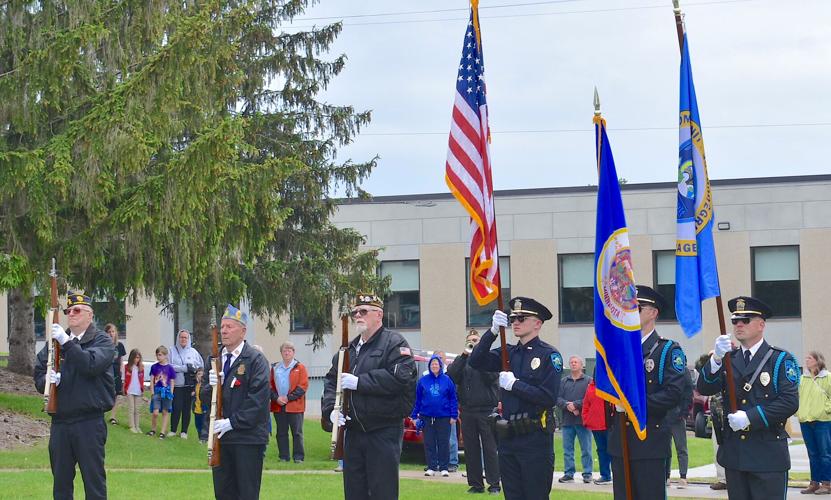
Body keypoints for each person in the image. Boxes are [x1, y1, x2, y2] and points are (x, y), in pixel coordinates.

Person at [697, 295, 800, 500]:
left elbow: (789, 402)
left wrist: (750, 417)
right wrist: (716, 359)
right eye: (735, 320)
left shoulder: (779, 359)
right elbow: (704, 387)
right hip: (736, 456)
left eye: (745, 320)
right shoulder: (728, 359)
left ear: (761, 325)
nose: (739, 325)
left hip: (767, 456)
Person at [322, 293, 417, 500]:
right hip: (354, 432)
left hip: (383, 430)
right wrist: (331, 411)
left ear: (379, 315)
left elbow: (402, 377)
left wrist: (360, 382)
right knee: (354, 492)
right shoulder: (348, 349)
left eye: (363, 311)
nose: (358, 315)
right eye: (355, 312)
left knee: (382, 491)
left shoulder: (394, 342)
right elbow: (331, 381)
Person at [469, 296, 562, 500]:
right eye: (513, 319)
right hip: (508, 438)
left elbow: (548, 397)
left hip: (535, 440)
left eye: (521, 318)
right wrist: (492, 332)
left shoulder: (549, 355)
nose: (516, 323)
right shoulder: (508, 352)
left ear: (537, 323)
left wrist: (515, 385)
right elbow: (475, 361)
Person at [33, 292, 116, 500]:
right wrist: (49, 381)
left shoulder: (102, 340)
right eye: (68, 310)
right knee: (61, 486)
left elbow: (90, 364)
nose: (71, 314)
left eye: (77, 310)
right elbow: (38, 374)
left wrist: (67, 342)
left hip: (89, 422)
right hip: (60, 422)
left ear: (90, 314)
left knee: (94, 484)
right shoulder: (55, 343)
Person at [607, 285, 686, 500]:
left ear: (653, 313)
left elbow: (673, 393)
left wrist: (633, 406)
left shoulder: (668, 350)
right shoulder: (617, 348)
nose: (631, 311)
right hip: (619, 440)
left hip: (649, 440)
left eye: (638, 307)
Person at [202, 304, 271, 500]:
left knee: (246, 493)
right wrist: (212, 386)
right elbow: (204, 398)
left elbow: (258, 401)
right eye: (222, 327)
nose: (224, 331)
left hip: (247, 438)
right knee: (223, 493)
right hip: (221, 439)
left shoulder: (255, 360)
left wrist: (232, 422)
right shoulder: (215, 359)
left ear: (243, 331)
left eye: (229, 326)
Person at [447, 329, 501, 494]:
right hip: (468, 410)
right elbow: (451, 375)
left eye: (476, 340)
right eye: (471, 340)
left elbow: (491, 378)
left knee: (490, 448)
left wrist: (480, 359)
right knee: (471, 449)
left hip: (486, 410)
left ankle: (494, 484)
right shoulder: (462, 360)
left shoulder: (490, 359)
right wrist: (464, 356)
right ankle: (476, 484)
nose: (473, 342)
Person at [411, 354, 459, 477]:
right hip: (426, 417)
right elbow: (417, 400)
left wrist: (453, 415)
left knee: (444, 442)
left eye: (436, 364)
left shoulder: (447, 381)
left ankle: (444, 467)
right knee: (429, 442)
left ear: (440, 366)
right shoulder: (423, 381)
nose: (434, 366)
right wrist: (414, 416)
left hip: (444, 417)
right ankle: (431, 467)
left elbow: (453, 399)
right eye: (432, 364)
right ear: (429, 366)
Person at [797, 350, 831, 494]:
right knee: (812, 453)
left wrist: (826, 409)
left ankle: (827, 483)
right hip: (805, 421)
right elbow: (796, 396)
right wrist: (798, 412)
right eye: (806, 358)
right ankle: (814, 482)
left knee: (825, 454)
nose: (806, 360)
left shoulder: (827, 377)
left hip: (823, 421)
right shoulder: (802, 378)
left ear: (818, 360)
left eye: (809, 358)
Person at [269, 341, 309, 463]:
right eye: (284, 350)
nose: (287, 352)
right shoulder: (275, 367)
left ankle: (298, 457)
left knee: (297, 433)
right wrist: (276, 398)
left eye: (289, 350)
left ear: (293, 352)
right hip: (278, 405)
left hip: (295, 406)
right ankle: (283, 457)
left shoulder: (300, 367)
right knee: (281, 433)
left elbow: (303, 386)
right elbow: (269, 386)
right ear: (281, 353)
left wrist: (288, 398)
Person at [557, 355, 593, 484]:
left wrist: (576, 405)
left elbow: (591, 399)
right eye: (571, 362)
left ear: (581, 364)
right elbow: (558, 398)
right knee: (567, 450)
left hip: (583, 421)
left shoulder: (588, 381)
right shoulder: (563, 381)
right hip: (567, 421)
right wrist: (568, 406)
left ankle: (588, 473)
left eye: (575, 362)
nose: (573, 364)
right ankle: (568, 473)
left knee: (586, 449)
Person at [169, 329, 203, 438]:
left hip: (189, 385)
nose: (183, 339)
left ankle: (184, 431)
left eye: (185, 337)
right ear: (178, 338)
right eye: (181, 337)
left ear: (188, 339)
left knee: (186, 409)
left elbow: (200, 366)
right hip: (177, 385)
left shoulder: (193, 352)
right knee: (176, 407)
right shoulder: (172, 350)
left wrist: (194, 370)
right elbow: (169, 366)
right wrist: (184, 368)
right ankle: (173, 429)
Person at [665, 364, 693, 488]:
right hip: (665, 414)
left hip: (678, 415)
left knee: (681, 447)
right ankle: (666, 476)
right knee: (665, 448)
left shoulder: (683, 370)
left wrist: (684, 412)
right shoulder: (664, 369)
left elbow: (688, 392)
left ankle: (683, 477)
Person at [582, 374, 612, 485]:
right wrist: (586, 420)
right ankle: (605, 475)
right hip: (596, 426)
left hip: (610, 425)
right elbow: (586, 404)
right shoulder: (591, 387)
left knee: (613, 451)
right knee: (601, 450)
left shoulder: (611, 385)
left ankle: (618, 475)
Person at [148, 345, 176, 438]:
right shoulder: (154, 367)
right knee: (155, 412)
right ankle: (153, 429)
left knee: (165, 411)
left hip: (166, 392)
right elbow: (152, 380)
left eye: (160, 355)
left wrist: (171, 392)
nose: (158, 357)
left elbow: (172, 381)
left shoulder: (170, 368)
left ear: (165, 355)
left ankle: (163, 432)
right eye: (157, 355)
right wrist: (152, 392)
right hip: (157, 391)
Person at [105, 323, 126, 425]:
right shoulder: (104, 345)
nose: (111, 334)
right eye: (109, 332)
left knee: (116, 394)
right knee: (106, 392)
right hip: (107, 371)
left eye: (113, 332)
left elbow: (121, 359)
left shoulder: (120, 346)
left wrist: (122, 372)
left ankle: (113, 416)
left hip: (117, 372)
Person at [123, 348, 145, 433]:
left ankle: (137, 426)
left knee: (137, 409)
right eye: (135, 357)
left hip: (138, 391)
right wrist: (124, 388)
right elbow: (124, 378)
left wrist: (142, 389)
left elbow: (142, 379)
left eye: (138, 358)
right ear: (132, 358)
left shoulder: (141, 367)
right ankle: (132, 426)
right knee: (131, 408)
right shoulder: (127, 367)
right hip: (130, 390)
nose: (137, 359)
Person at [193, 366, 208, 444]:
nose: (200, 376)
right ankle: (200, 438)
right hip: (196, 409)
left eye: (202, 374)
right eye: (198, 374)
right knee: (197, 425)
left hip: (203, 408)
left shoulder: (205, 386)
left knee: (204, 424)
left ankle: (204, 438)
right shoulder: (196, 385)